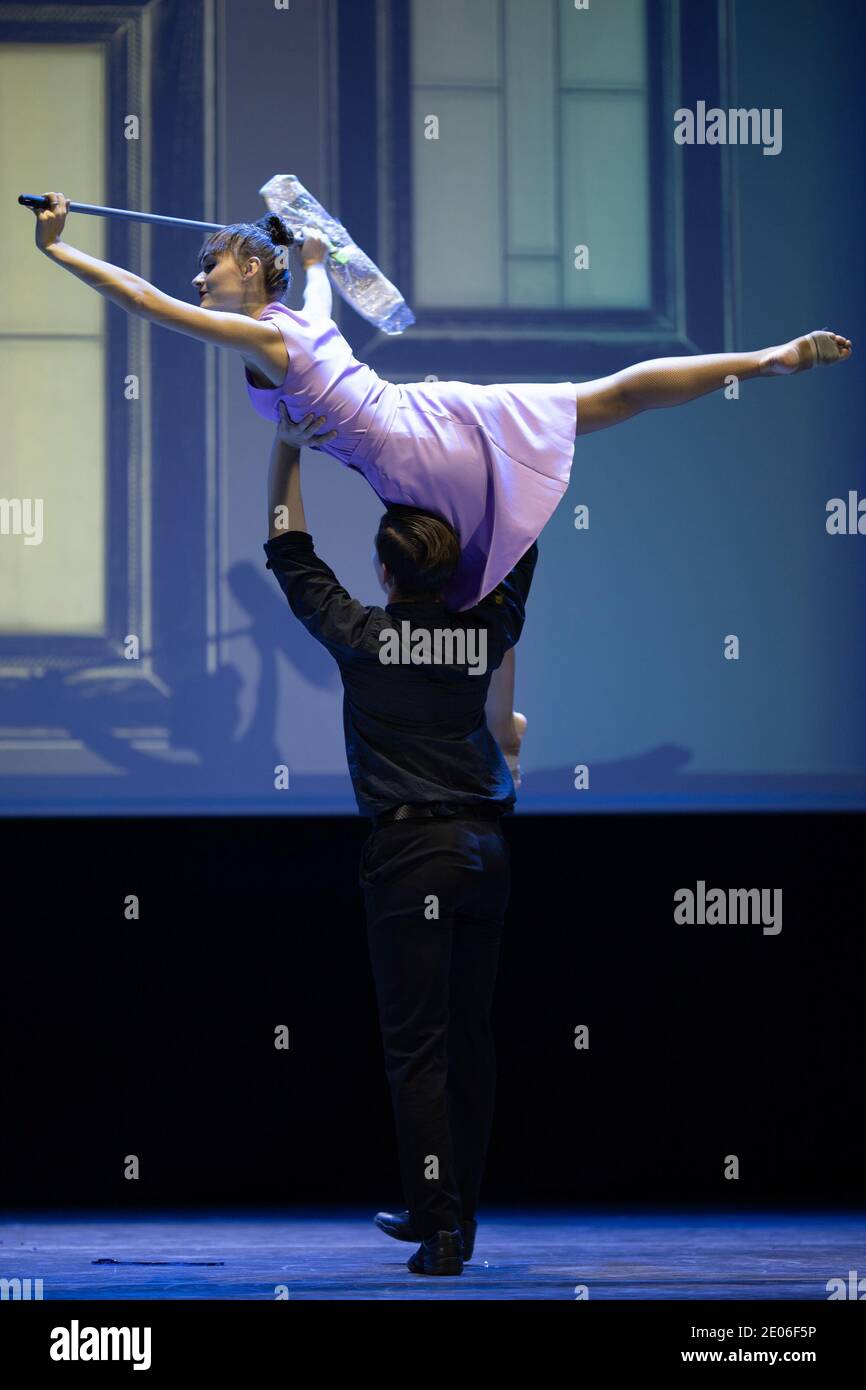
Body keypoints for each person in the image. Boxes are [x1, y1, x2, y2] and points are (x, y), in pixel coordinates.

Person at [28, 193, 852, 781]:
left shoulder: (260, 339)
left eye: (208, 267)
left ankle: (502, 728)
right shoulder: (301, 320)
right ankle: (765, 359)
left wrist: (59, 248)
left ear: (249, 265)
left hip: (415, 456)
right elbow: (315, 286)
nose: (199, 282)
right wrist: (315, 258)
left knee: (477, 577)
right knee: (602, 405)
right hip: (441, 411)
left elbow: (146, 305)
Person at [262, 398, 538, 1275]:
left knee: (417, 1047)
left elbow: (286, 549)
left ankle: (443, 1222)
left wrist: (286, 448)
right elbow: (521, 533)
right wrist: (467, 460)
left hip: (409, 853)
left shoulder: (364, 637)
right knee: (469, 1040)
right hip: (485, 852)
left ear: (384, 576)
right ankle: (448, 1209)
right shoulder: (484, 629)